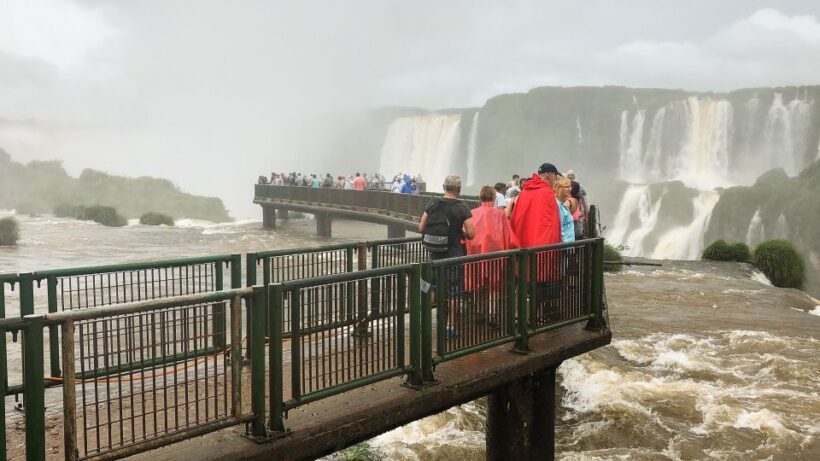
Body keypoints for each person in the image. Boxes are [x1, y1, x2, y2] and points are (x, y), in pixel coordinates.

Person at [418, 175, 475, 338]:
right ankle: (450, 326)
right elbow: (471, 233)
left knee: (433, 286)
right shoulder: (462, 207)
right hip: (454, 254)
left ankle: (426, 322)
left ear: (444, 187)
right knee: (454, 290)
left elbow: (421, 227)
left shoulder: (432, 203)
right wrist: (461, 231)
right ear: (459, 189)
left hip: (434, 253)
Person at [509, 163, 563, 323]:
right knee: (537, 285)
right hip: (541, 249)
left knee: (522, 284)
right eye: (555, 176)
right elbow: (551, 225)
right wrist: (553, 250)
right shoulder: (546, 193)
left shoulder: (525, 191)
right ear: (548, 175)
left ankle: (519, 316)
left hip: (523, 246)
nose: (556, 180)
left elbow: (516, 219)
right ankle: (535, 317)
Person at [465, 186, 520, 326]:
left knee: (478, 280)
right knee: (494, 284)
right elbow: (508, 235)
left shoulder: (472, 213)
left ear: (480, 197)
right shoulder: (500, 215)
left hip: (475, 253)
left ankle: (479, 310)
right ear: (494, 198)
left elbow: (466, 234)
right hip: (496, 253)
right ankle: (492, 313)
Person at [555, 177, 575, 243]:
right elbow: (558, 229)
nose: (570, 189)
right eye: (566, 187)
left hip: (568, 247)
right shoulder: (557, 205)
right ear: (559, 188)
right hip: (565, 247)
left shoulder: (561, 205)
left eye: (570, 187)